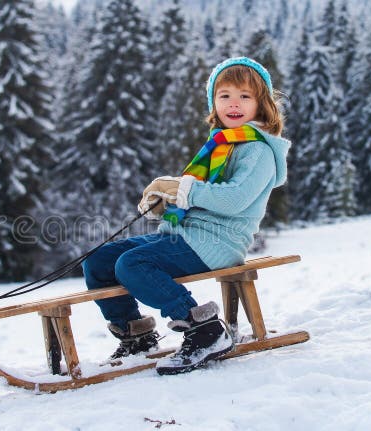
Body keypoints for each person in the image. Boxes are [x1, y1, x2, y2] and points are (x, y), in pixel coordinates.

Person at [82, 56, 291, 375]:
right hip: (184, 236)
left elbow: (234, 199)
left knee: (133, 263)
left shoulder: (258, 150)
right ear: (214, 102)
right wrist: (164, 202)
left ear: (261, 104)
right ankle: (136, 335)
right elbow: (196, 197)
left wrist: (182, 188)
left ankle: (204, 330)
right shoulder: (220, 146)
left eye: (244, 96)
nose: (234, 103)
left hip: (219, 241)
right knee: (98, 260)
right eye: (225, 96)